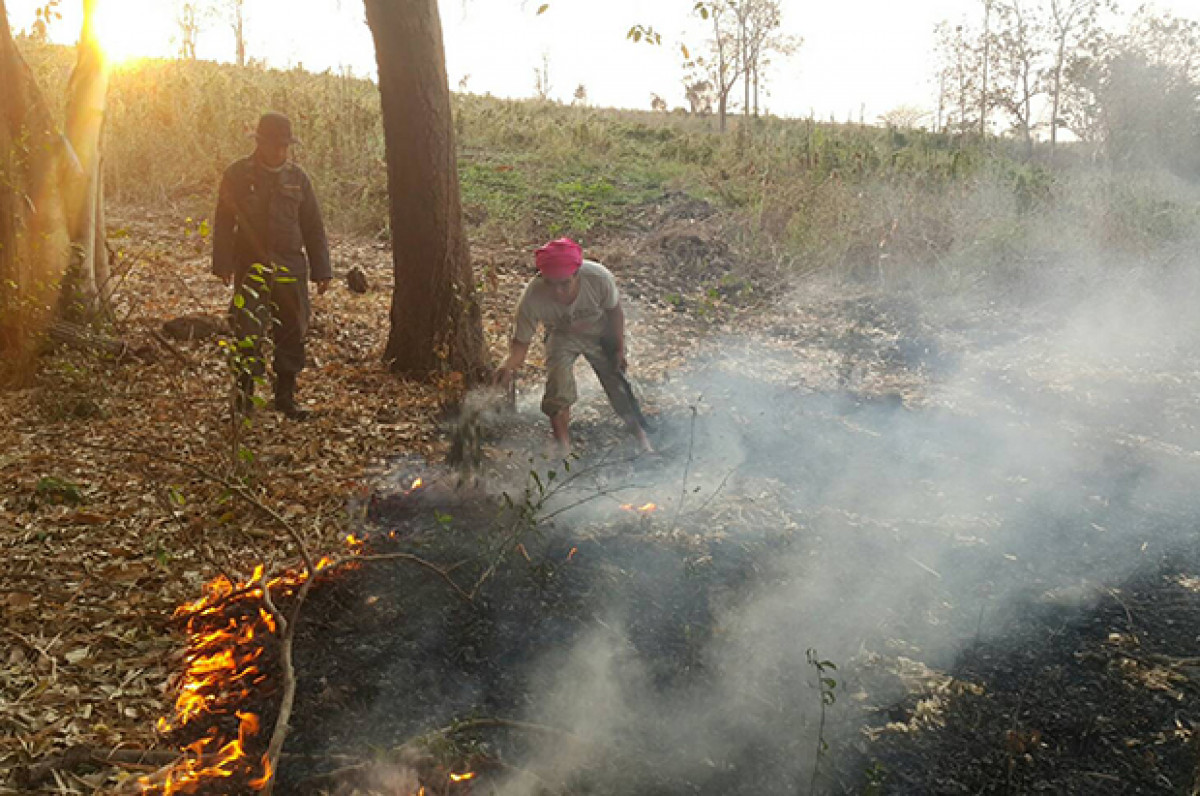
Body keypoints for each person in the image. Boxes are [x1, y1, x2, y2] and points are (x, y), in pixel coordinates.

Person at [212, 111, 331, 420]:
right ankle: (244, 397)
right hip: (251, 267)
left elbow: (313, 227)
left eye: (284, 146)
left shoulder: (298, 178)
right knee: (247, 330)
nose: (279, 151)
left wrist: (322, 270)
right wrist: (222, 262)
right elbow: (224, 222)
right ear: (259, 142)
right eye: (273, 144)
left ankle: (285, 396)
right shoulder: (237, 175)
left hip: (291, 268)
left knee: (292, 332)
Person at [495, 238, 653, 456]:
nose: (558, 291)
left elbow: (615, 312)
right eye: (551, 284)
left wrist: (618, 349)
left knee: (617, 383)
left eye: (565, 283)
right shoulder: (532, 297)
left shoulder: (598, 278)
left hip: (599, 332)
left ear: (577, 274)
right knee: (558, 387)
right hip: (561, 336)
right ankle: (563, 446)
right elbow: (520, 345)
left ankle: (641, 438)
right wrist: (507, 368)